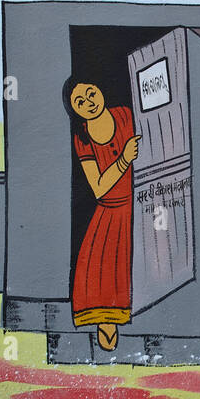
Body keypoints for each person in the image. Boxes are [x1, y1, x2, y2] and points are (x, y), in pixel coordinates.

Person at [63, 75, 141, 352]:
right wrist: (123, 159)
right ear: (75, 110)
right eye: (79, 102)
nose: (88, 103)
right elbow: (98, 188)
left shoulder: (125, 115)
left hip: (139, 203)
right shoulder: (82, 137)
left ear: (100, 89)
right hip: (110, 210)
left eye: (90, 93)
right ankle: (107, 321)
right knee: (102, 273)